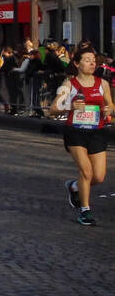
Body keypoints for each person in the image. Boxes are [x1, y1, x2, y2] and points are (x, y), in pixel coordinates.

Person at [49, 43, 113, 226]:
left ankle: (74, 186)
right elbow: (53, 109)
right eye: (87, 60)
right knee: (86, 171)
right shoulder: (70, 84)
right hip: (75, 131)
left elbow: (111, 106)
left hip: (97, 131)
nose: (92, 64)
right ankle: (85, 210)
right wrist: (70, 106)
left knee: (99, 176)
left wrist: (109, 109)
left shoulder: (103, 84)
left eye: (94, 61)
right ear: (77, 64)